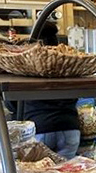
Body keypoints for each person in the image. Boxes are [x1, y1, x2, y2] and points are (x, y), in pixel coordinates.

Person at [17, 21, 81, 159]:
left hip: (40, 128)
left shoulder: (29, 65)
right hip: (69, 127)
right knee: (65, 171)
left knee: (41, 171)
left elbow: (14, 103)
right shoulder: (68, 63)